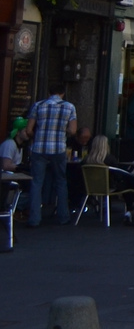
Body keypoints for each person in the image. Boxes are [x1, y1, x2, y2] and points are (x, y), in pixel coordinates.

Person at [24, 87, 78, 227]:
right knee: (60, 181)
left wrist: (36, 135)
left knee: (36, 182)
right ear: (62, 93)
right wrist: (62, 130)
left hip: (39, 147)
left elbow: (29, 130)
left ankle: (34, 219)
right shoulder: (69, 107)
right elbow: (73, 130)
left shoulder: (38, 105)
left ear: (49, 93)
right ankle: (63, 217)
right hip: (58, 148)